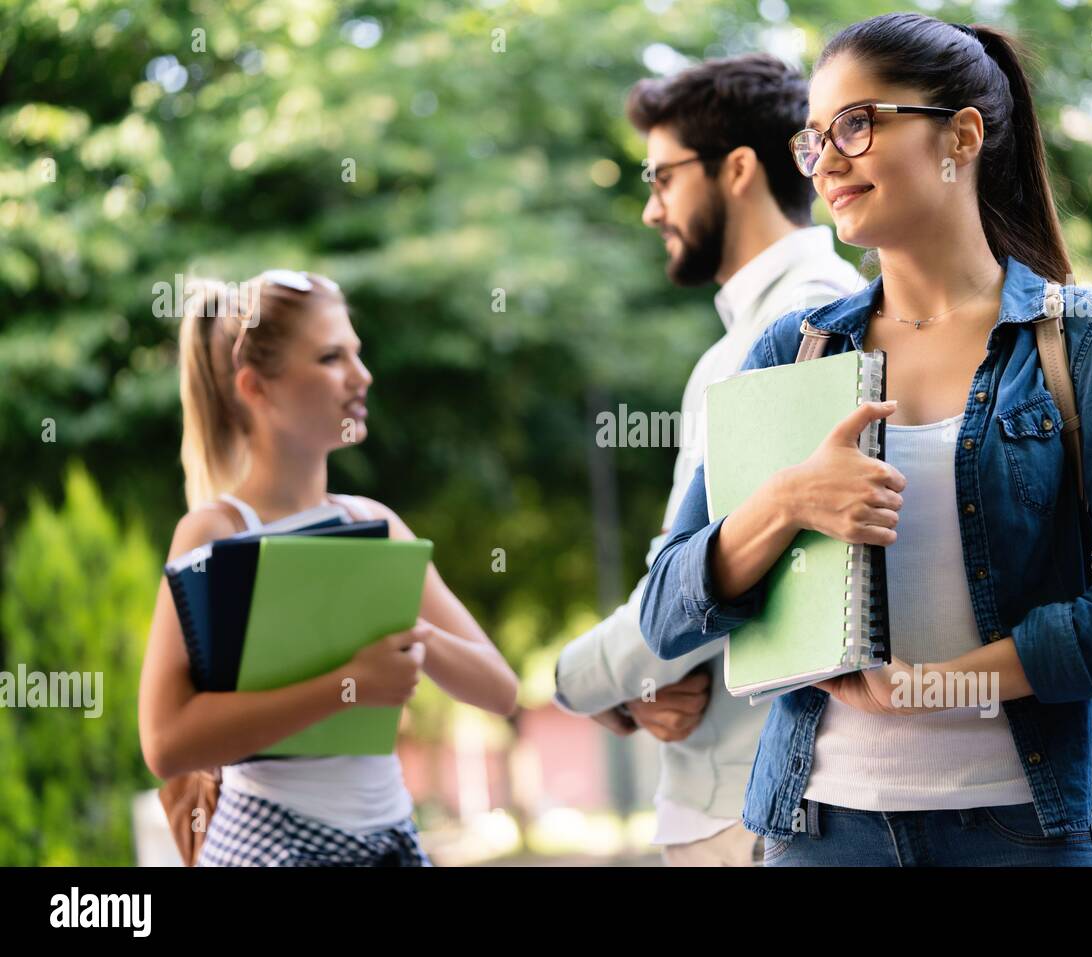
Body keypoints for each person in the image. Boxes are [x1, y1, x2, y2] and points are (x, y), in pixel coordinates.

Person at [639, 13, 1092, 867]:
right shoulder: (791, 351)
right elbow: (665, 608)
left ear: (963, 136)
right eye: (813, 137)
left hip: (1021, 833)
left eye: (857, 124)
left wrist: (945, 683)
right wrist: (788, 499)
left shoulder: (1084, 340)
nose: (827, 159)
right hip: (817, 833)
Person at [552, 53, 863, 866]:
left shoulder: (798, 325)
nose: (652, 209)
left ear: (736, 170)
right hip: (743, 789)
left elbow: (689, 589)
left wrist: (576, 681)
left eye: (661, 178)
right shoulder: (770, 328)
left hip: (753, 802)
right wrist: (636, 690)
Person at [139, 270, 519, 866]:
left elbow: (499, 689)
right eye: (330, 357)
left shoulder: (377, 524)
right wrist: (350, 686)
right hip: (271, 844)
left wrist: (410, 638)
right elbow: (165, 744)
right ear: (256, 387)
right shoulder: (215, 532)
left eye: (356, 354)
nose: (361, 377)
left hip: (392, 841)